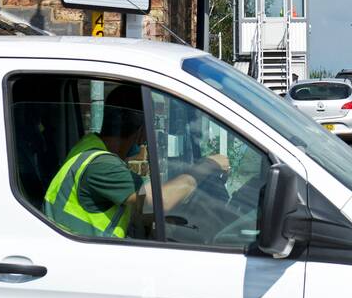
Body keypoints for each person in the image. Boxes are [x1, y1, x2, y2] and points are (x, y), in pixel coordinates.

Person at [43, 84, 228, 239]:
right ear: (142, 130)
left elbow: (138, 212)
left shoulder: (88, 149)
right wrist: (206, 167)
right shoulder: (102, 166)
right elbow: (157, 202)